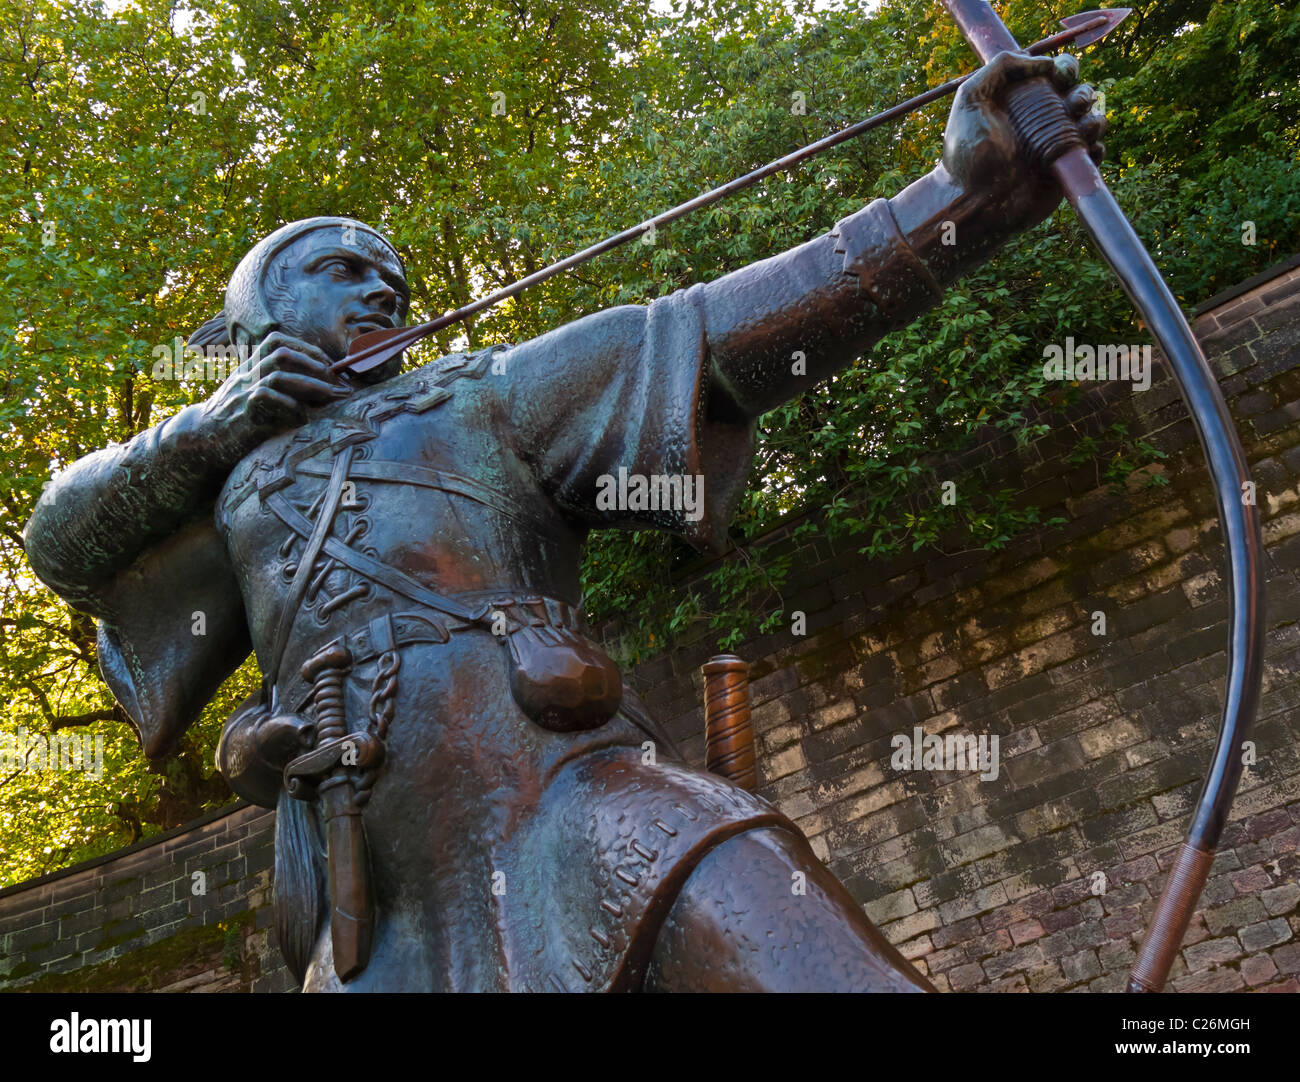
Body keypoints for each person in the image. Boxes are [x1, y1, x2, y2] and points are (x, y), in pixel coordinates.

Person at [23, 51, 1104, 992]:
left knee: (774, 924)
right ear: (255, 313)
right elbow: (63, 546)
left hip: (574, 804)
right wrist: (204, 432)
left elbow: (715, 338)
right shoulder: (231, 483)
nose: (383, 292)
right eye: (340, 270)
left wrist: (959, 203)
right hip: (372, 890)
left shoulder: (478, 393)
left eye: (393, 278)